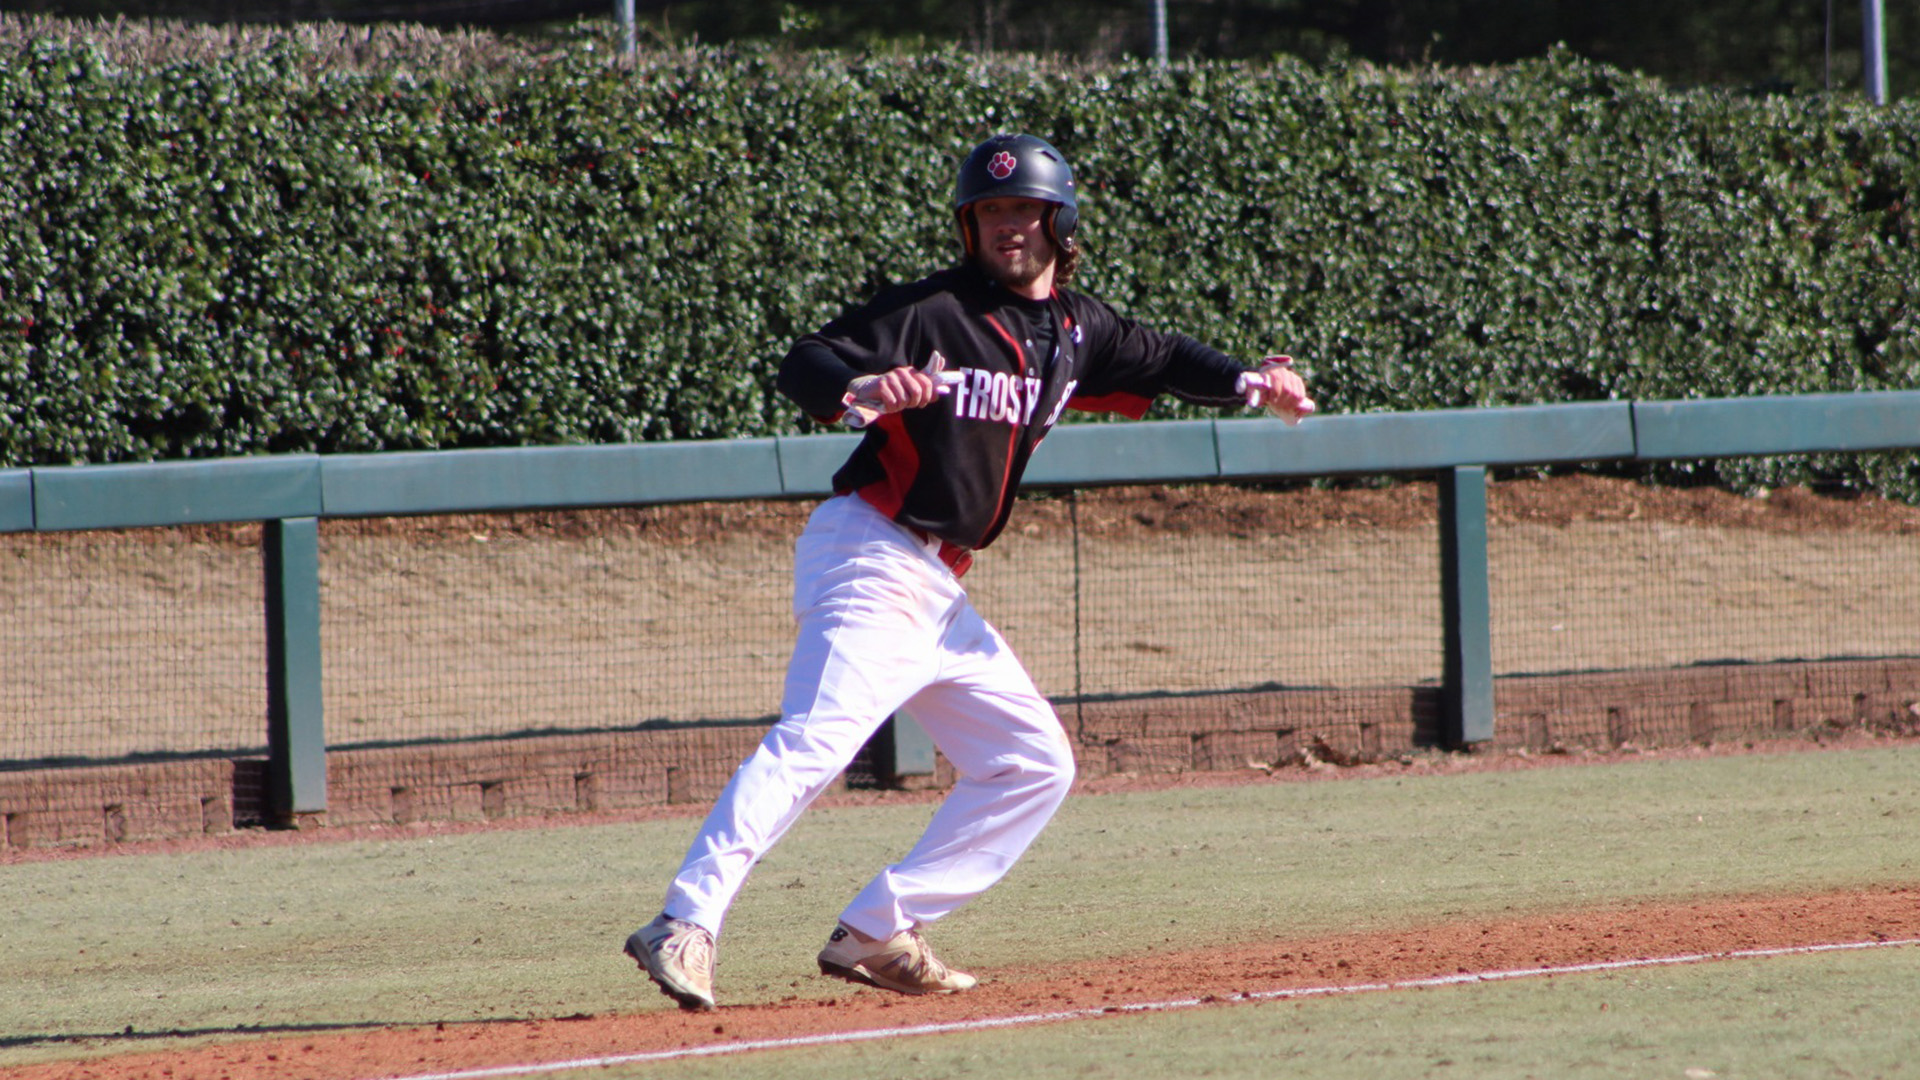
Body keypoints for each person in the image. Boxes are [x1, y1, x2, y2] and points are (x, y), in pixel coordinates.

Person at [624, 133, 1315, 1011]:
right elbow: (809, 356)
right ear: (969, 225)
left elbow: (1168, 357)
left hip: (940, 590)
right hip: (872, 552)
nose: (1007, 225)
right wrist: (855, 392)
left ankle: (880, 926)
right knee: (816, 742)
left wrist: (1257, 382)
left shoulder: (1075, 328)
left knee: (1033, 763)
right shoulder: (934, 311)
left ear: (1059, 220)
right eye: (989, 210)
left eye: (1023, 207)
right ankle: (684, 921)